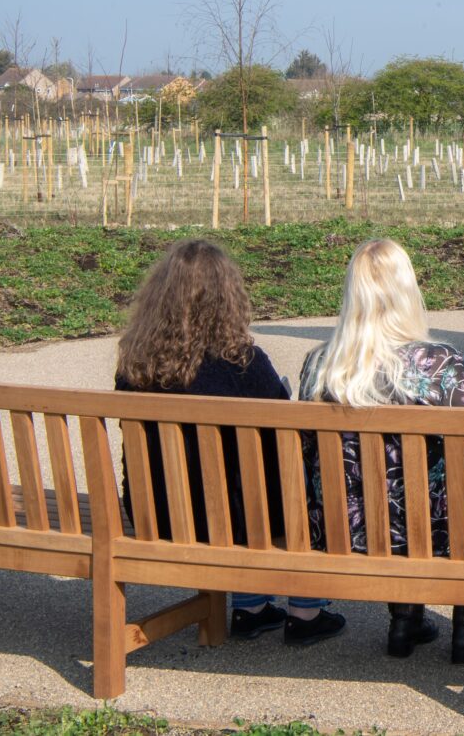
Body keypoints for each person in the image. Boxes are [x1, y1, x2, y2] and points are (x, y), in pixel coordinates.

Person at [114, 239, 346, 646]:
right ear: (228, 299)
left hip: (157, 513)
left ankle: (251, 607)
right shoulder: (244, 363)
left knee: (238, 484)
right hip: (231, 520)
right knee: (292, 478)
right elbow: (285, 439)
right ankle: (304, 611)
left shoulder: (134, 365)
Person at [299, 238, 464, 662]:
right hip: (438, 535)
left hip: (345, 530)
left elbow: (305, 455)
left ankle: (404, 621)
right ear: (408, 292)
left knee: (392, 495)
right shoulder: (440, 363)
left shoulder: (319, 364)